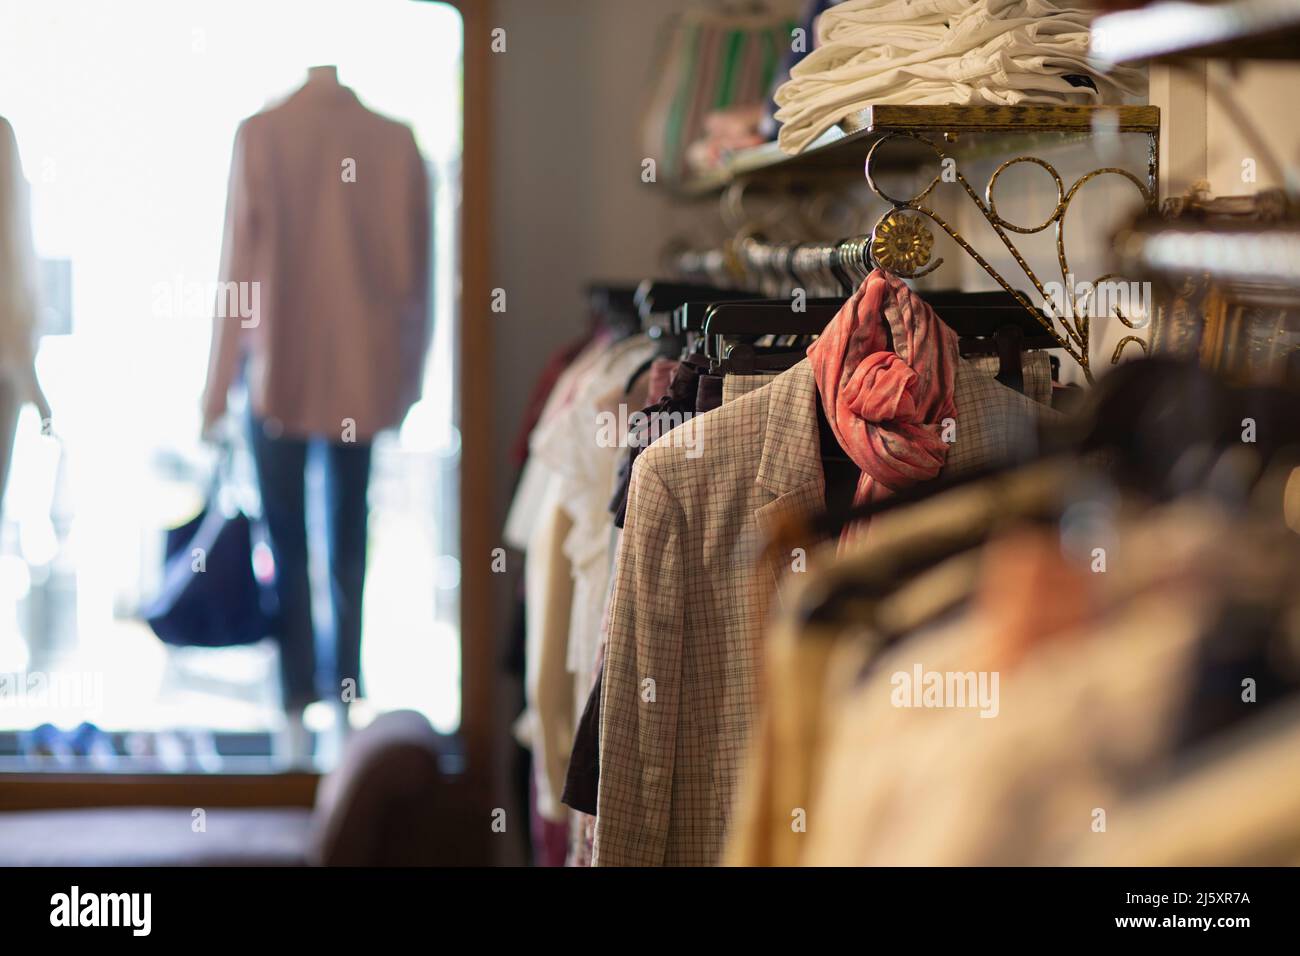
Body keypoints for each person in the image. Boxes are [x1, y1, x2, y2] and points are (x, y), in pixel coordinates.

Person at [201, 66, 431, 763]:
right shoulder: (393, 141)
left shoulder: (265, 134)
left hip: (280, 370)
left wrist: (216, 389)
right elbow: (418, 278)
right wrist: (406, 379)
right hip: (361, 369)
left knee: (289, 543)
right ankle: (344, 702)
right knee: (347, 542)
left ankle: (296, 709)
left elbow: (237, 270)